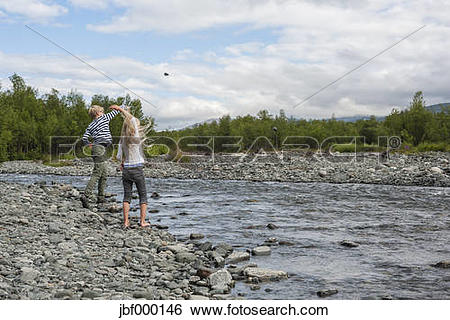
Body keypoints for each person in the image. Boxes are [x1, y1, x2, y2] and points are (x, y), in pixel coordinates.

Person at [80, 104, 124, 209]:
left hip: (98, 148)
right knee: (97, 172)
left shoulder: (90, 125)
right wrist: (120, 106)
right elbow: (116, 112)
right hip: (99, 148)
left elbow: (84, 137)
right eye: (102, 111)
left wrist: (89, 144)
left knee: (104, 173)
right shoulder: (104, 118)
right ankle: (86, 195)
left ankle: (101, 196)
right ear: (98, 113)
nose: (103, 113)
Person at [116, 107, 150, 228]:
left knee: (127, 196)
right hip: (137, 169)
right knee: (143, 195)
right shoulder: (136, 138)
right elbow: (133, 120)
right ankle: (142, 221)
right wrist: (121, 110)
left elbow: (119, 156)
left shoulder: (122, 140)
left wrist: (123, 162)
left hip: (126, 169)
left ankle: (125, 222)